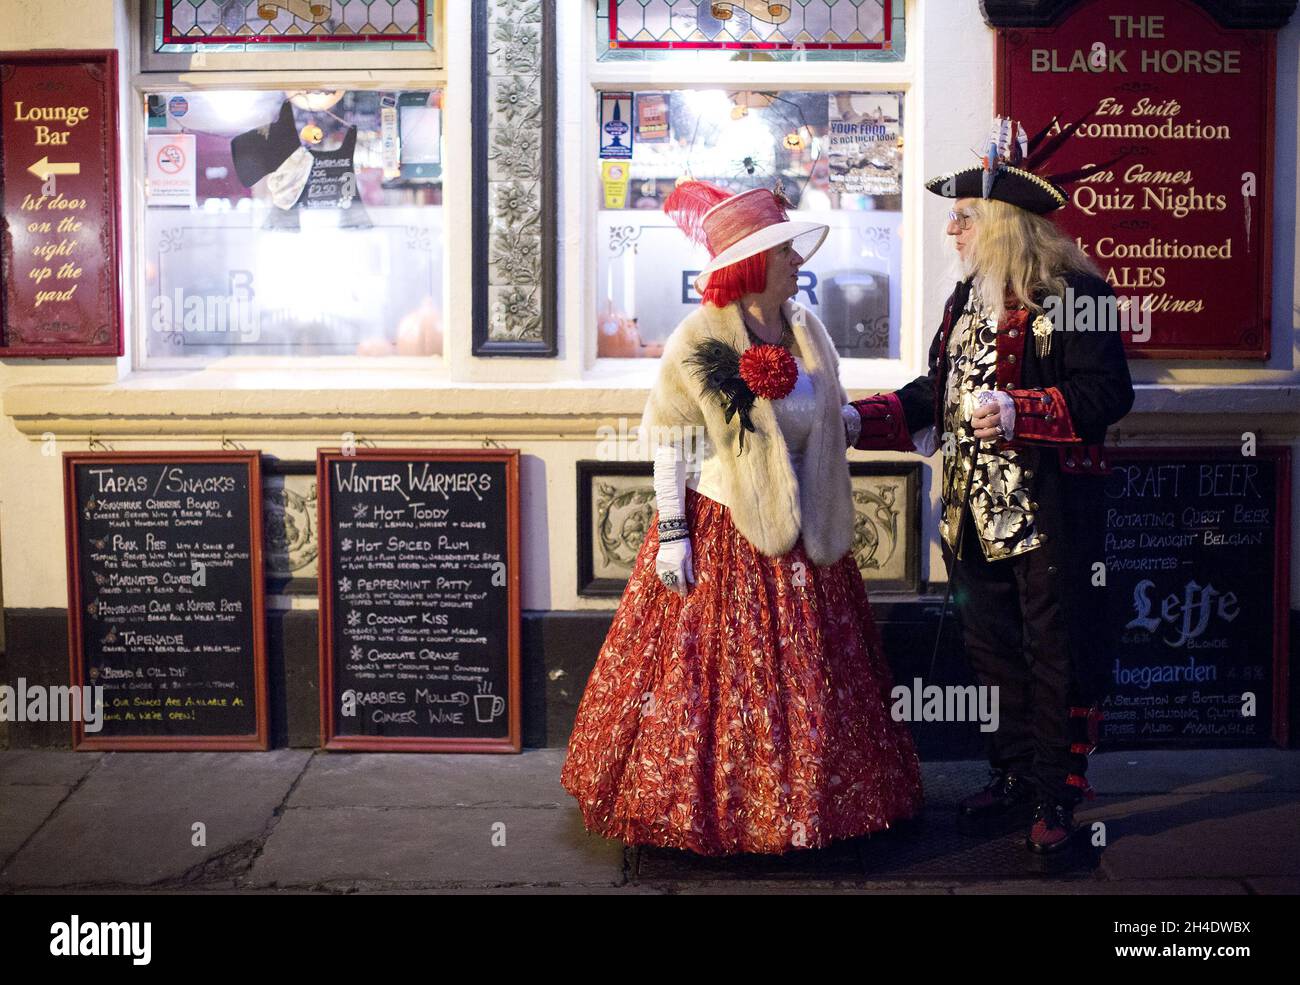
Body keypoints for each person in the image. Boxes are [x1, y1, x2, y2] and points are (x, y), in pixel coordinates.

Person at [561, 180, 924, 856]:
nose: (796, 261)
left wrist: (895, 422)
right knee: (714, 676)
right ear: (753, 265)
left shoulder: (808, 329)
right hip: (727, 525)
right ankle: (724, 812)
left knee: (815, 673)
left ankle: (813, 807)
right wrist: (673, 534)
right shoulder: (702, 340)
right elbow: (669, 437)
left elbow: (825, 416)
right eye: (784, 251)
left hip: (808, 530)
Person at [849, 116, 1135, 855]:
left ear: (1004, 223)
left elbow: (1108, 395)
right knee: (993, 651)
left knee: (1055, 654)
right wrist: (861, 418)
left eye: (964, 217)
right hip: (972, 516)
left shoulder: (1076, 293)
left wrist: (1021, 410)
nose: (951, 230)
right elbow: (940, 389)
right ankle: (1011, 777)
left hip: (1046, 514)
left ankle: (1055, 799)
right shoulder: (966, 302)